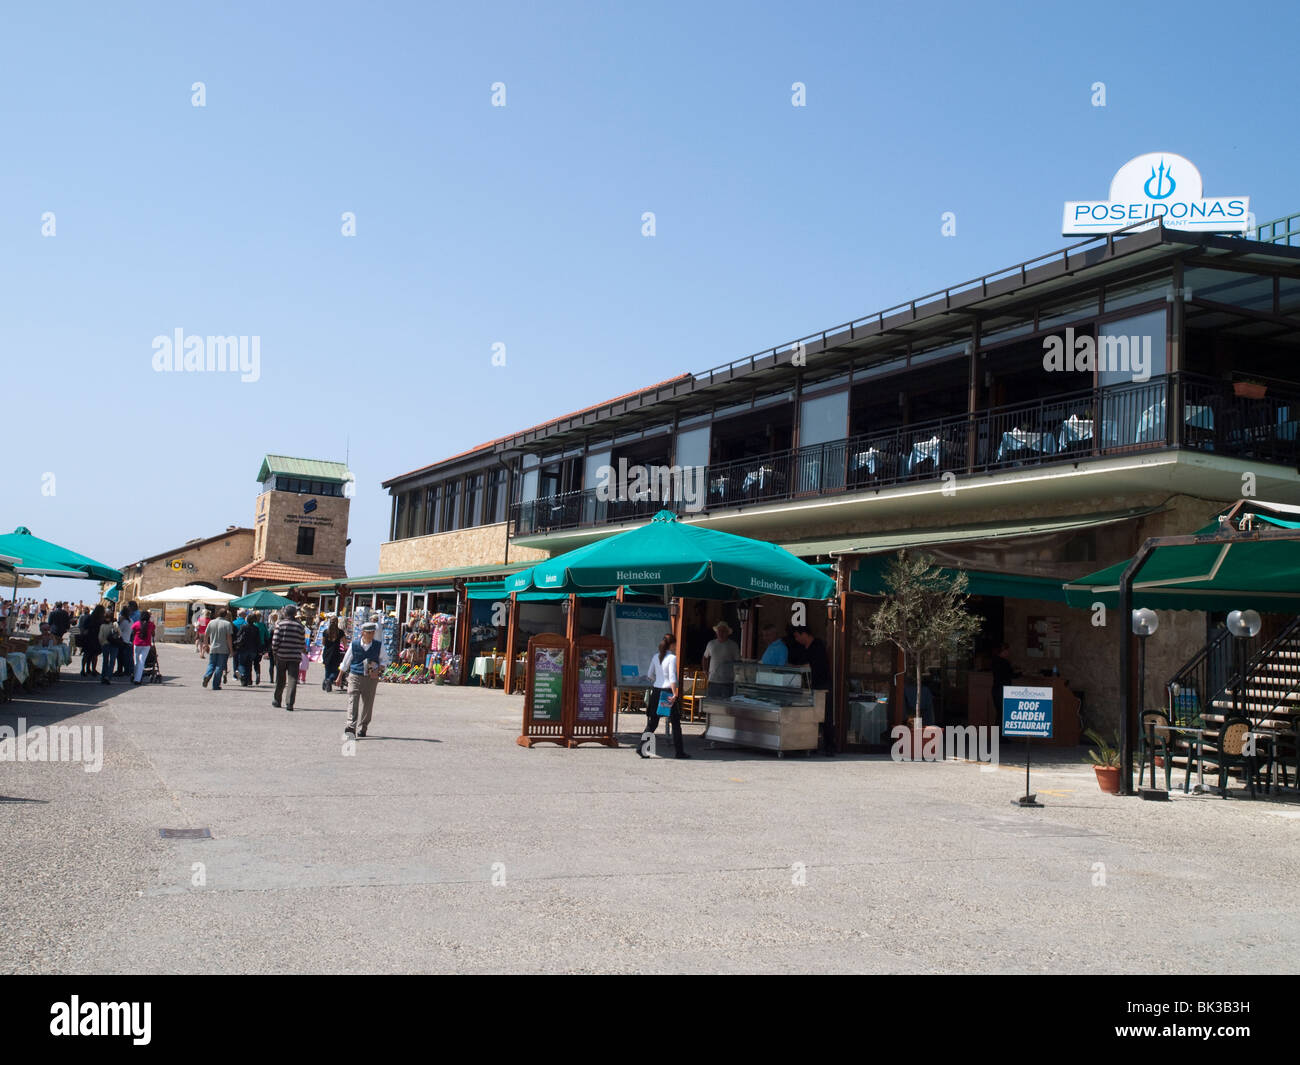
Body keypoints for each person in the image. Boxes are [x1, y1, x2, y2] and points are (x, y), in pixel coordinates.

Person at [641, 633, 688, 759]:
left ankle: (641, 747)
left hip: (656, 690)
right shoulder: (672, 658)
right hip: (667, 691)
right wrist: (675, 693)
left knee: (653, 722)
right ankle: (679, 752)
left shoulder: (656, 656)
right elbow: (672, 677)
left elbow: (650, 674)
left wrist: (658, 680)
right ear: (672, 644)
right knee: (676, 723)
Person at [340, 619, 389, 739]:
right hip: (355, 675)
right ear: (363, 633)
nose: (371, 635)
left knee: (368, 703)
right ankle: (351, 726)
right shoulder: (354, 645)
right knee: (353, 699)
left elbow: (385, 660)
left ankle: (363, 727)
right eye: (369, 632)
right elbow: (346, 661)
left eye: (373, 632)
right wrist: (339, 676)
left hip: (370, 679)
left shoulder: (378, 645)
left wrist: (379, 669)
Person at [792, 625, 835, 754]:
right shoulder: (804, 648)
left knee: (825, 716)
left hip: (822, 686)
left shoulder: (817, 646)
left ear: (804, 634)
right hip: (810, 686)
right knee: (811, 716)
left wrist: (795, 667)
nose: (797, 639)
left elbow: (811, 666)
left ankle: (829, 747)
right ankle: (811, 744)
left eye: (797, 636)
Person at [270, 604, 308, 711]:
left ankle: (277, 700)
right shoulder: (300, 626)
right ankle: (290, 703)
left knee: (280, 679)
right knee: (293, 679)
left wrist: (274, 651)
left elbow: (275, 640)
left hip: (281, 655)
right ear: (295, 614)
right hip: (295, 657)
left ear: (285, 613)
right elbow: (302, 642)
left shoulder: (280, 624)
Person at [701, 620, 739, 699]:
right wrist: (705, 670)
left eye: (723, 631)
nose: (721, 633)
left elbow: (738, 662)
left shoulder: (733, 645)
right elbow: (705, 657)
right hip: (713, 680)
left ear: (727, 633)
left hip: (728, 682)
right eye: (719, 631)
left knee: (726, 707)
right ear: (716, 632)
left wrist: (737, 676)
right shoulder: (711, 644)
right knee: (711, 705)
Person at [203, 608, 234, 690]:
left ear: (217, 614)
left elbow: (206, 635)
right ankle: (215, 685)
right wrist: (231, 650)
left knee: (211, 664)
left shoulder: (211, 622)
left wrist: (206, 645)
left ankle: (207, 675)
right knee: (219, 666)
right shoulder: (227, 624)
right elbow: (229, 638)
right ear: (226, 615)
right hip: (223, 648)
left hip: (213, 647)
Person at [129, 609, 156, 684]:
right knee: (141, 661)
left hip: (137, 643)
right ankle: (137, 679)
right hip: (146, 644)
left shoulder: (136, 624)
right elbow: (153, 633)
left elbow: (133, 632)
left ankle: (135, 675)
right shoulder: (151, 625)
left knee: (136, 661)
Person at [234, 612, 260, 686]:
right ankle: (248, 681)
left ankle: (242, 675)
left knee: (241, 664)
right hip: (253, 650)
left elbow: (238, 635)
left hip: (243, 649)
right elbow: (258, 640)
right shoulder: (256, 628)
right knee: (249, 665)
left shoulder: (244, 627)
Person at [97, 611, 121, 685]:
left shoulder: (102, 626)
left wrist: (102, 643)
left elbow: (100, 637)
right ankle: (108, 676)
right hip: (114, 645)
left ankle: (103, 676)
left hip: (105, 645)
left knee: (105, 661)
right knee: (112, 661)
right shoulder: (115, 624)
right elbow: (120, 634)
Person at [321, 616, 344, 692]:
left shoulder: (325, 632)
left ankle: (326, 681)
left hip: (327, 653)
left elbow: (323, 643)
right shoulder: (340, 632)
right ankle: (329, 680)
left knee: (327, 670)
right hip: (336, 653)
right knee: (335, 671)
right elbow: (345, 642)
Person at [80, 605, 105, 676]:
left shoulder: (90, 617)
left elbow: (84, 626)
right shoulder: (101, 619)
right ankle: (93, 670)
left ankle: (83, 669)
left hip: (89, 638)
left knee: (86, 654)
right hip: (96, 638)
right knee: (94, 655)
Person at [251, 610, 270, 684]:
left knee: (249, 662)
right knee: (257, 662)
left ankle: (249, 678)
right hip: (261, 646)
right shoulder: (263, 625)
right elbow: (267, 636)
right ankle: (258, 673)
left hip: (252, 645)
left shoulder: (252, 625)